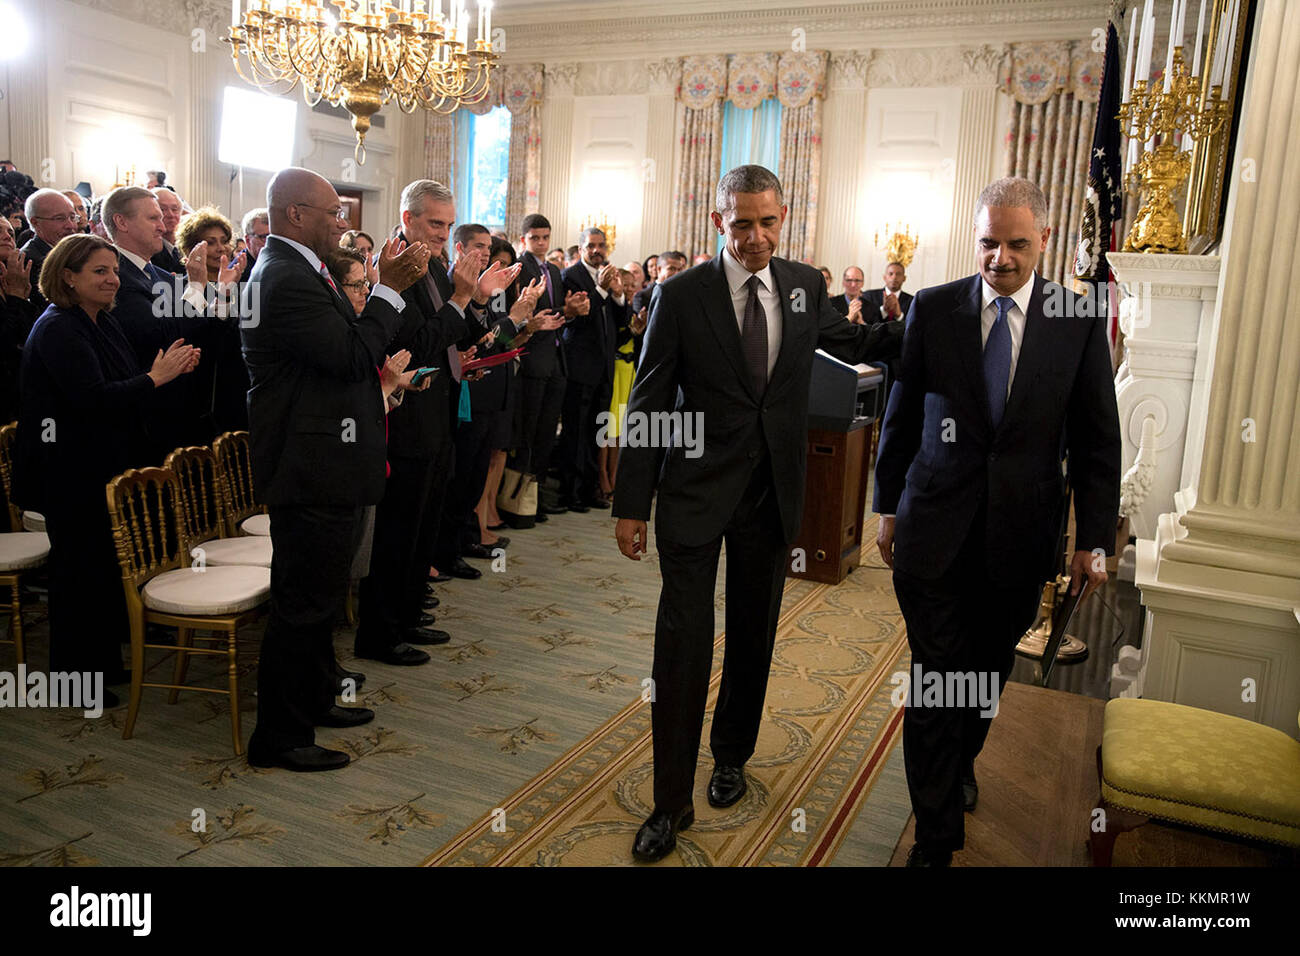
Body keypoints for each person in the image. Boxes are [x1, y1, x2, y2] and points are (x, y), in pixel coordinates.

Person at [612, 165, 903, 862]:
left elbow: (856, 345)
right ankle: (669, 801)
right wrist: (632, 504)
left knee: (752, 634)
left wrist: (941, 314)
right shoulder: (680, 295)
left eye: (767, 222)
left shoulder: (805, 287)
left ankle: (732, 757)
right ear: (719, 221)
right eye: (741, 223)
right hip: (693, 492)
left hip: (772, 492)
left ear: (783, 218)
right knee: (682, 644)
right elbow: (650, 401)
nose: (755, 236)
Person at [873, 176, 1120, 867]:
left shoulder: (1075, 322)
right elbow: (900, 415)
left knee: (981, 682)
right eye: (988, 242)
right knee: (935, 678)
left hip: (1021, 540)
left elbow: (1098, 440)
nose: (1000, 258)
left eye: (1015, 243)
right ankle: (936, 836)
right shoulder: (934, 309)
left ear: (1042, 239)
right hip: (932, 533)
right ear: (974, 239)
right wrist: (886, 507)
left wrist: (1092, 542)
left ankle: (959, 763)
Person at [241, 166, 431, 772]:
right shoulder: (283, 275)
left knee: (321, 600)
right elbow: (352, 355)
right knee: (300, 607)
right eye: (332, 212)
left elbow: (343, 348)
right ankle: (279, 735)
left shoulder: (300, 266)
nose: (343, 222)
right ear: (296, 214)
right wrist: (390, 294)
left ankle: (318, 698)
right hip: (309, 464)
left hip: (328, 459)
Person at [14, 234, 200, 708]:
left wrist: (161, 374)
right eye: (99, 271)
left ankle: (100, 665)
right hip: (69, 470)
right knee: (77, 575)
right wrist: (154, 378)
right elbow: (91, 400)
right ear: (68, 277)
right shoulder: (59, 327)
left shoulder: (97, 320)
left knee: (99, 569)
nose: (113, 279)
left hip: (99, 463)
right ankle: (71, 682)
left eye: (114, 270)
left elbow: (124, 383)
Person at [513, 213, 586, 522]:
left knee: (545, 435)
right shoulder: (520, 269)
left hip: (556, 358)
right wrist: (564, 310)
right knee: (527, 435)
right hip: (531, 358)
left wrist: (570, 312)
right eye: (535, 238)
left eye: (545, 237)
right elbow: (532, 312)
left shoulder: (554, 271)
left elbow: (556, 317)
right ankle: (517, 503)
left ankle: (537, 498)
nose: (541, 243)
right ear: (523, 240)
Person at [559, 227, 626, 510]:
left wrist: (619, 295)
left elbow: (619, 321)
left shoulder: (610, 276)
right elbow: (581, 316)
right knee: (575, 434)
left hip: (604, 369)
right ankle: (570, 493)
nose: (597, 250)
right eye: (591, 246)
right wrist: (600, 289)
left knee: (595, 432)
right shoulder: (570, 276)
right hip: (579, 367)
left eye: (601, 246)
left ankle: (590, 490)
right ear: (580, 248)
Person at [0, 217, 36, 424]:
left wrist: (21, 297)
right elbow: (5, 345)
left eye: (10, 233)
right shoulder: (14, 285)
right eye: (0, 232)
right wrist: (15, 297)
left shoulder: (16, 279)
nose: (7, 236)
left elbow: (27, 339)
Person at [21, 188, 79, 313]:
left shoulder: (73, 252)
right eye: (60, 218)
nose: (71, 226)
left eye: (72, 217)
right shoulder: (30, 261)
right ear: (36, 223)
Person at [150, 187, 186, 274]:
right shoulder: (149, 249)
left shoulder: (187, 245)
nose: (171, 215)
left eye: (174, 209)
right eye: (162, 209)